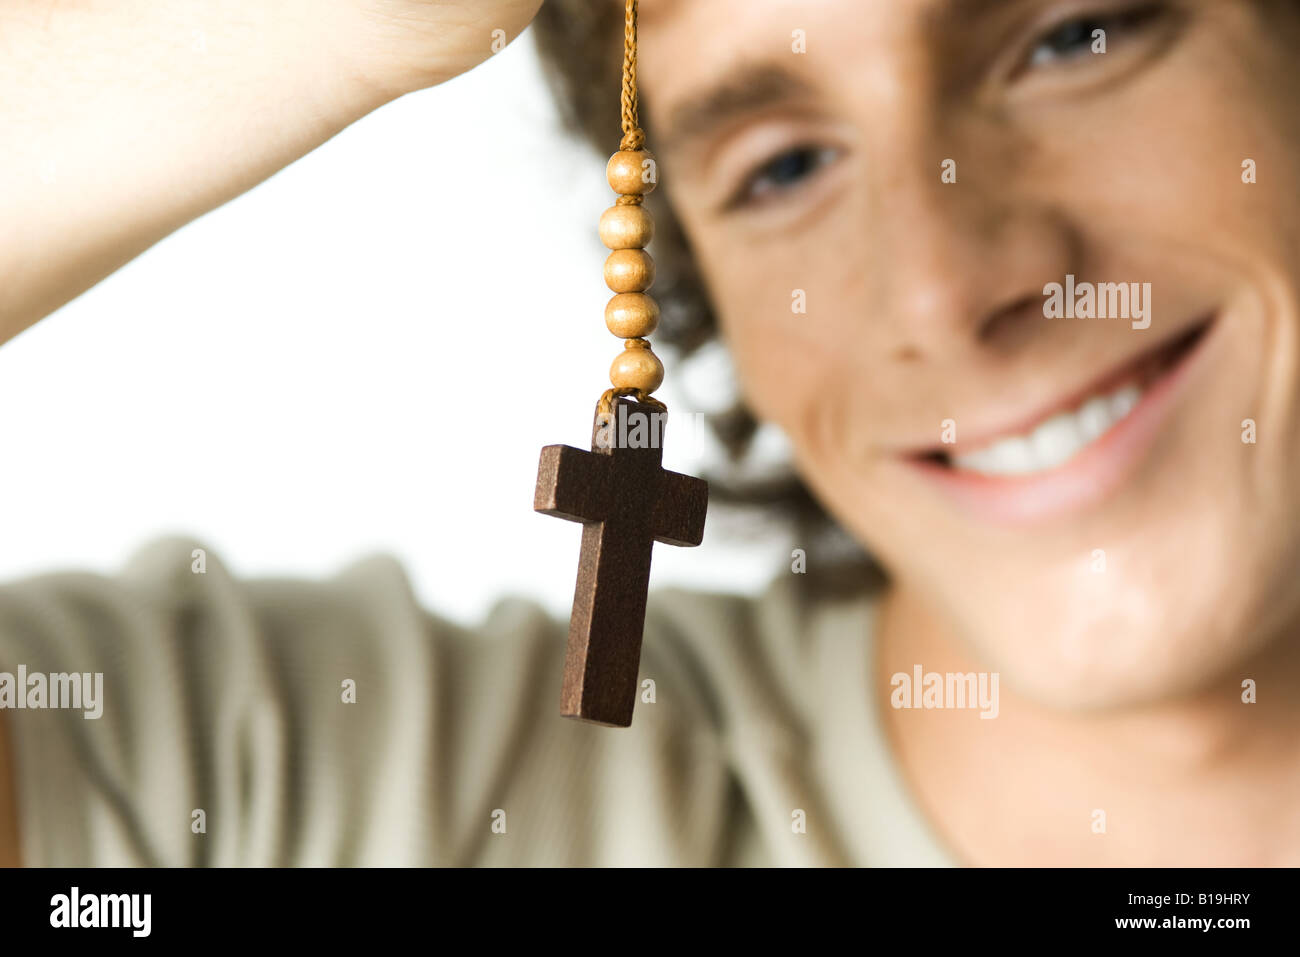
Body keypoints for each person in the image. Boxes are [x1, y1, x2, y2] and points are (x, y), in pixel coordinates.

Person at [2, 0, 1299, 867]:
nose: (944, 292)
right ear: (702, 276)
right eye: (783, 167)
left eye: (1074, 37)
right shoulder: (324, 789)